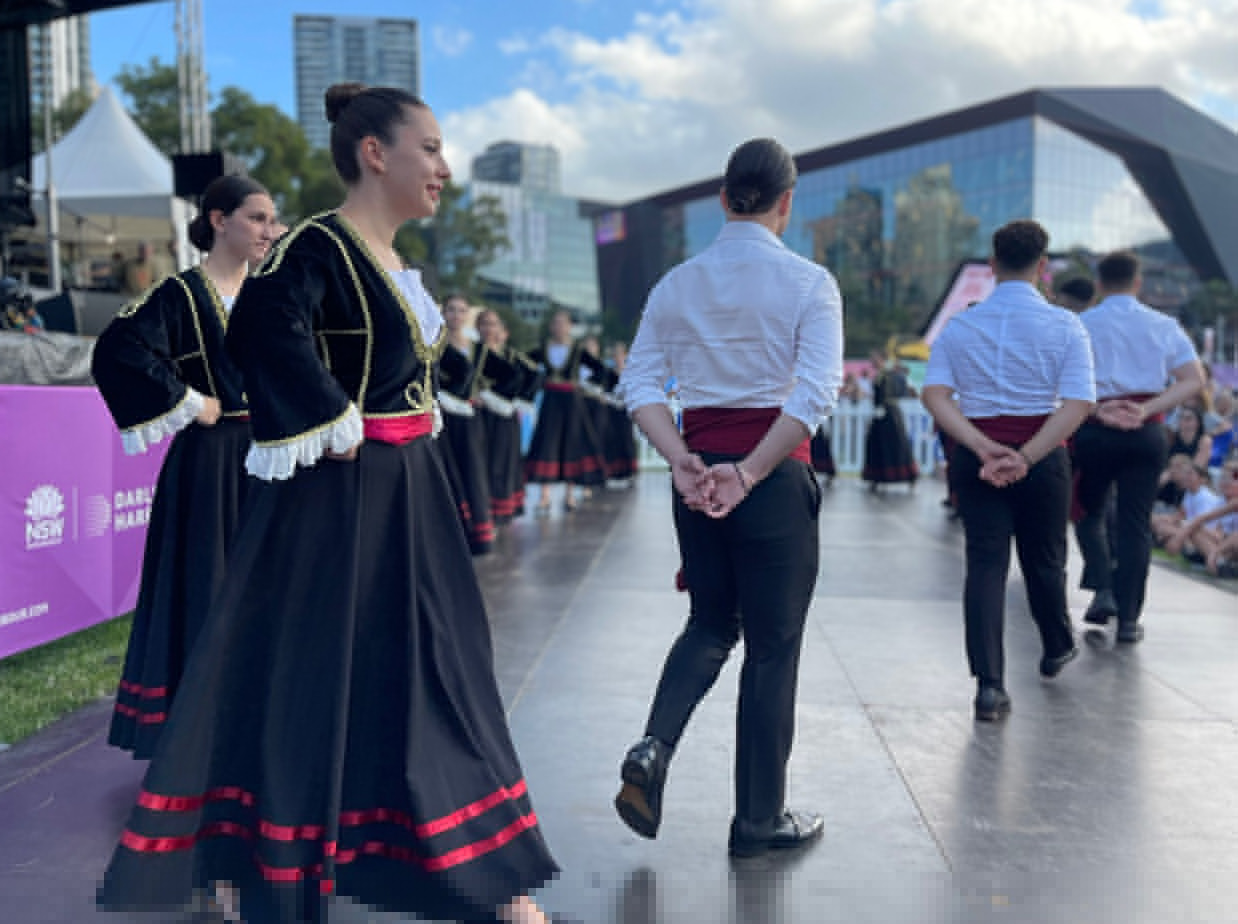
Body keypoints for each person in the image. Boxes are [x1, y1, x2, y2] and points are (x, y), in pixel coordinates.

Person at [99, 83, 559, 924]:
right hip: (339, 504)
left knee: (436, 669)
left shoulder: (393, 264)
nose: (444, 169)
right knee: (302, 681)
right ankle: (248, 855)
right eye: (430, 149)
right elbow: (261, 330)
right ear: (375, 153)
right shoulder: (317, 246)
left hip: (411, 496)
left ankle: (486, 873)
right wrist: (330, 415)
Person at [613, 137, 843, 858]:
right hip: (767, 480)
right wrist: (748, 472)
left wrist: (684, 460)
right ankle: (757, 820)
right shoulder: (810, 283)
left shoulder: (676, 283)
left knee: (710, 622)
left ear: (722, 198)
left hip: (698, 475)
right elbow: (814, 395)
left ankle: (654, 746)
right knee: (773, 647)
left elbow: (641, 386)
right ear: (787, 202)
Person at [91, 174, 278, 758]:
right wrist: (191, 401)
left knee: (265, 589)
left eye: (273, 221)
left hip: (270, 463)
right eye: (257, 218)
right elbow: (117, 347)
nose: (270, 232)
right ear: (219, 220)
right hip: (210, 462)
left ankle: (257, 724)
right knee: (207, 586)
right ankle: (200, 733)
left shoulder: (274, 293)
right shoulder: (179, 294)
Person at [921, 219, 1094, 722]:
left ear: (993, 266)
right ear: (1044, 268)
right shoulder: (1066, 325)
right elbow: (1079, 402)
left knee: (985, 564)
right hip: (1043, 458)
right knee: (1045, 559)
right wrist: (1027, 455)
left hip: (977, 459)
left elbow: (935, 395)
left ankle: (989, 686)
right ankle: (1056, 644)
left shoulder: (962, 324)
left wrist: (980, 446)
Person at [1070, 250, 1204, 640]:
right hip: (1145, 430)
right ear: (1138, 281)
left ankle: (1103, 591)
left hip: (1095, 426)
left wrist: (1100, 408)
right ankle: (1129, 619)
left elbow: (1060, 382)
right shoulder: (1163, 324)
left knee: (1088, 512)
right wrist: (1146, 410)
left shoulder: (1081, 324)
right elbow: (1193, 380)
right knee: (1135, 525)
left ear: (1099, 283)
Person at [524, 308, 610, 514]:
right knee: (547, 443)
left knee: (571, 444)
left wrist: (586, 384)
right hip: (550, 402)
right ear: (551, 326)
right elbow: (522, 364)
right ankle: (545, 496)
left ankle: (569, 494)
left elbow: (600, 369)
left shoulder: (578, 351)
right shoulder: (543, 349)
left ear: (570, 327)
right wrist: (535, 384)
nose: (559, 327)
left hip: (572, 402)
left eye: (563, 323)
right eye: (556, 322)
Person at [476, 307, 543, 524]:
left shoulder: (511, 356)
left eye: (493, 324)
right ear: (478, 327)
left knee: (502, 462)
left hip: (504, 417)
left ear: (500, 329)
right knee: (480, 462)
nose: (489, 328)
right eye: (484, 323)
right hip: (478, 416)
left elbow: (534, 376)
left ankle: (500, 510)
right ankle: (482, 510)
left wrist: (515, 399)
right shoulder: (473, 352)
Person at [861, 347, 918, 491]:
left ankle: (907, 475)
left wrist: (883, 407)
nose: (872, 361)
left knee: (894, 445)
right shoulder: (881, 375)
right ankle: (878, 476)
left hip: (890, 415)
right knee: (878, 445)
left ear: (881, 359)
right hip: (880, 414)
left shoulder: (890, 374)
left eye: (874, 358)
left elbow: (891, 393)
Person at [1156, 405, 1211, 507]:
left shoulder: (1204, 441)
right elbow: (1162, 462)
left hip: (1190, 477)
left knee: (1188, 478)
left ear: (1197, 423)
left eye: (1188, 418)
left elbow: (1197, 467)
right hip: (1170, 474)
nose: (1183, 421)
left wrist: (1175, 473)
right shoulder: (1171, 437)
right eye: (1180, 417)